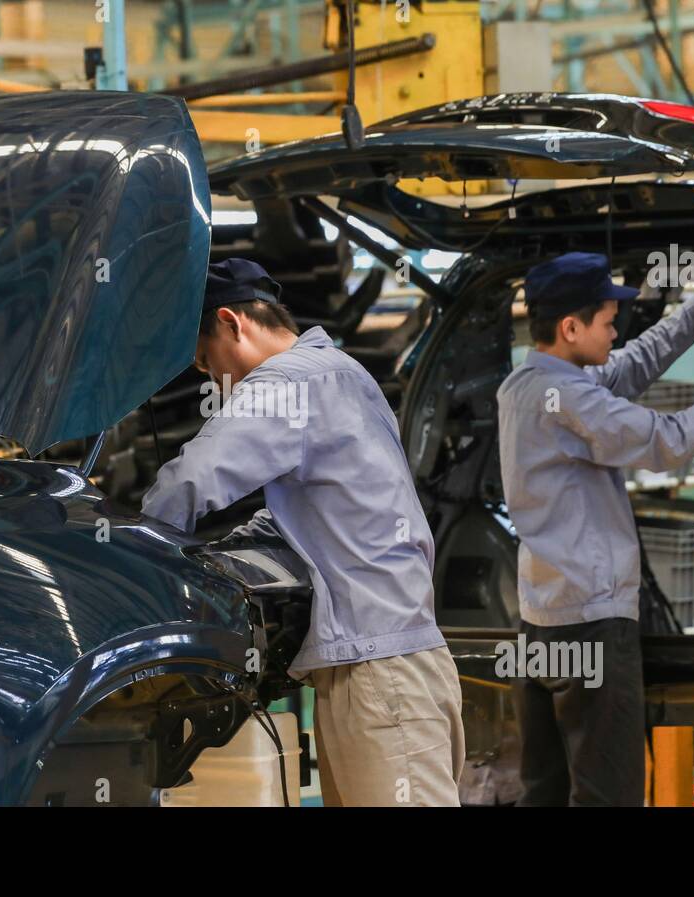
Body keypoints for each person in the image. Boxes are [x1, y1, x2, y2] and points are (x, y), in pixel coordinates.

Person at [142, 258, 465, 806]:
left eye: (205, 361)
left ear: (230, 323)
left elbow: (189, 483)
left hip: (379, 673)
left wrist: (137, 558)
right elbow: (322, 507)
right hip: (382, 663)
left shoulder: (286, 383)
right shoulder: (340, 372)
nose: (213, 380)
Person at [496, 247, 694, 806]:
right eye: (608, 323)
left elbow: (634, 363)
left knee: (544, 787)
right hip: (591, 623)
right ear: (570, 327)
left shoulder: (528, 383)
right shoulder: (570, 399)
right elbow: (669, 441)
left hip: (539, 620)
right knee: (607, 792)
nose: (615, 334)